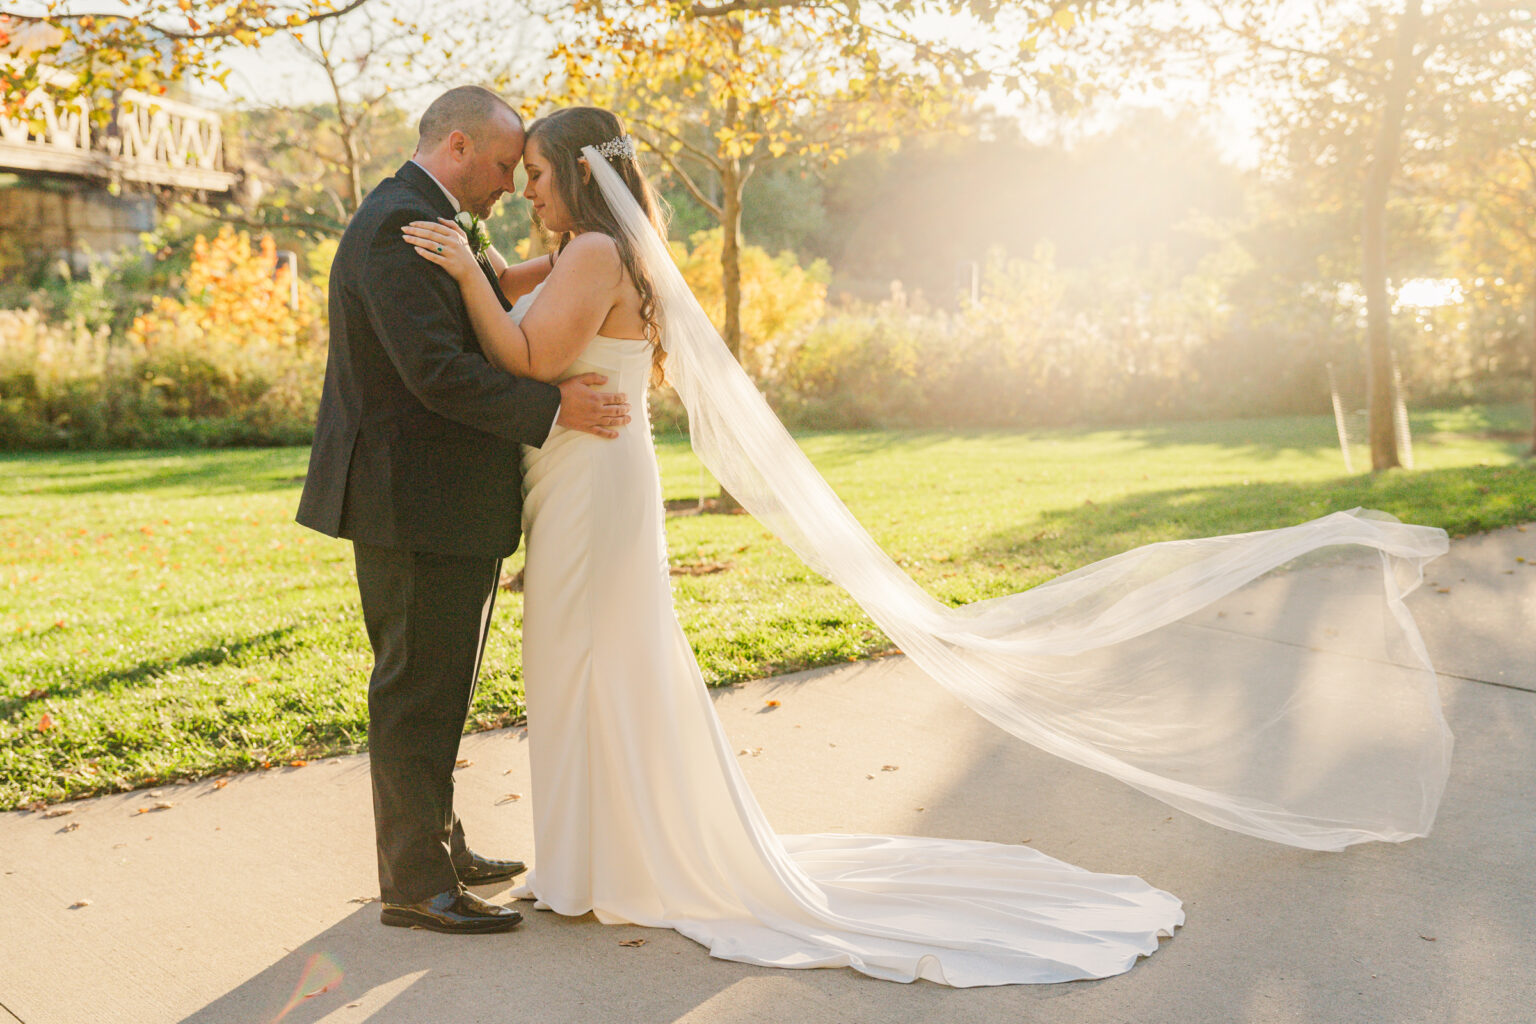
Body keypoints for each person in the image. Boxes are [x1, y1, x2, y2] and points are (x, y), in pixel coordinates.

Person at [401, 105, 1452, 985]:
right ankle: (595, 854)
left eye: (533, 173)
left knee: (589, 659)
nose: (523, 190)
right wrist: (481, 257)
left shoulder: (590, 250)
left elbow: (531, 353)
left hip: (591, 487)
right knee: (591, 662)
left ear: (576, 178)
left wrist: (459, 275)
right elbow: (518, 280)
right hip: (586, 480)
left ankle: (605, 862)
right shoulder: (597, 245)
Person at [295, 87, 633, 936]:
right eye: (503, 165)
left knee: (443, 680)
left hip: (446, 498)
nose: (512, 184)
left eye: (529, 169)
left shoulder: (435, 216)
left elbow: (486, 300)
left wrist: (562, 267)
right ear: (457, 145)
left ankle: (440, 842)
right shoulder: (395, 227)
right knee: (417, 688)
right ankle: (418, 885)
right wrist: (556, 409)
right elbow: (436, 372)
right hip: (411, 499)